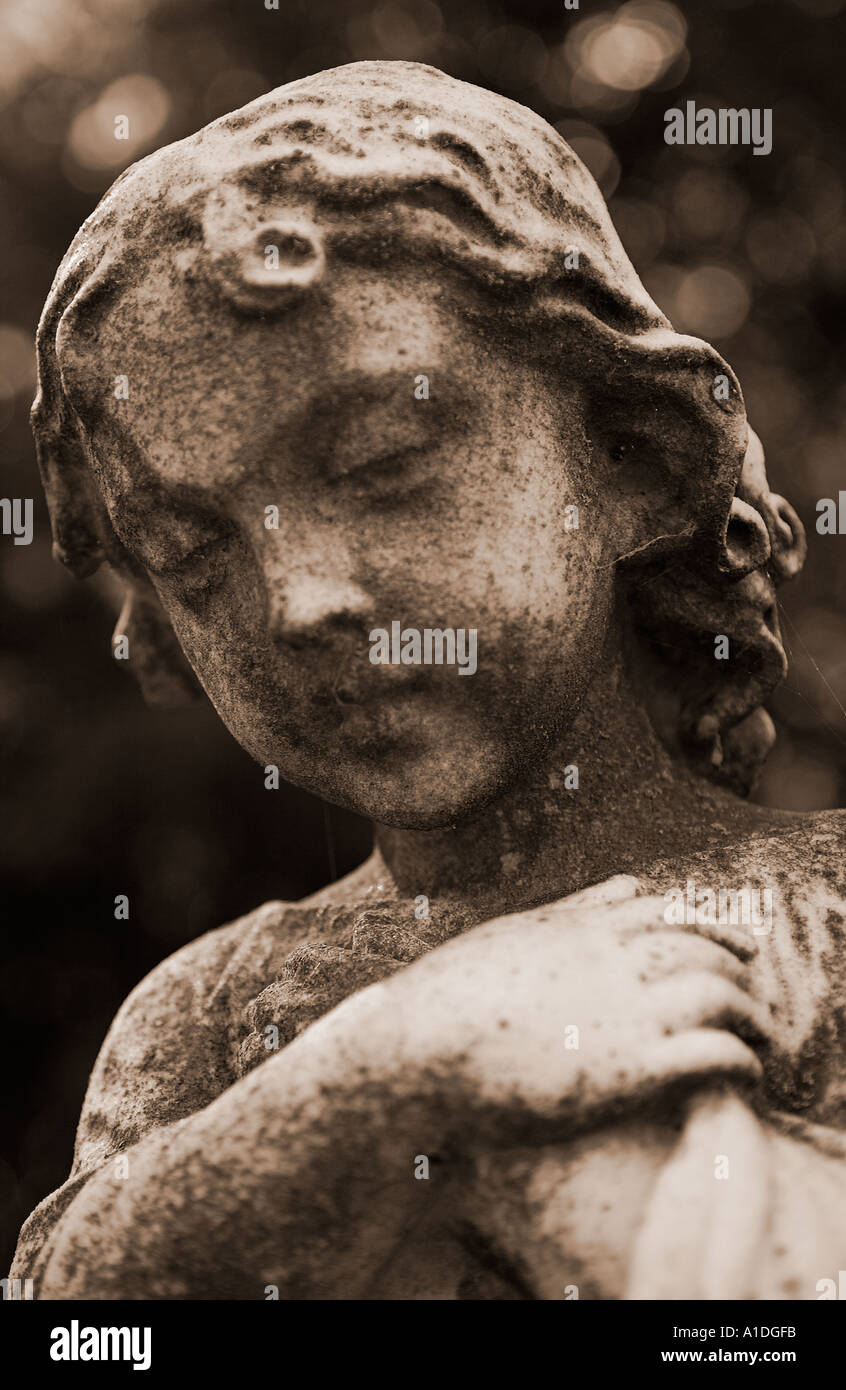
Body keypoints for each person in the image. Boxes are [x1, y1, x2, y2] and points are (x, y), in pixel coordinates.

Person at [12, 60, 845, 1300]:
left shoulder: (821, 917)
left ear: (623, 450)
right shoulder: (214, 1014)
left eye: (383, 460)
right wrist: (383, 1079)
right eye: (194, 555)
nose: (300, 603)